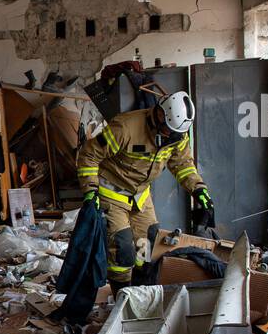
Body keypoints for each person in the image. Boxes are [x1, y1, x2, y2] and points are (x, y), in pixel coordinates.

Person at [75, 90, 211, 291]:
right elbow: (88, 155)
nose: (168, 137)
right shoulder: (125, 128)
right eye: (167, 131)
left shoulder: (176, 135)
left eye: (174, 134)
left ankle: (140, 289)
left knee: (148, 243)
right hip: (111, 192)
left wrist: (198, 190)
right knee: (122, 248)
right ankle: (121, 295)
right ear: (159, 115)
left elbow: (182, 164)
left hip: (140, 195)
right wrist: (90, 190)